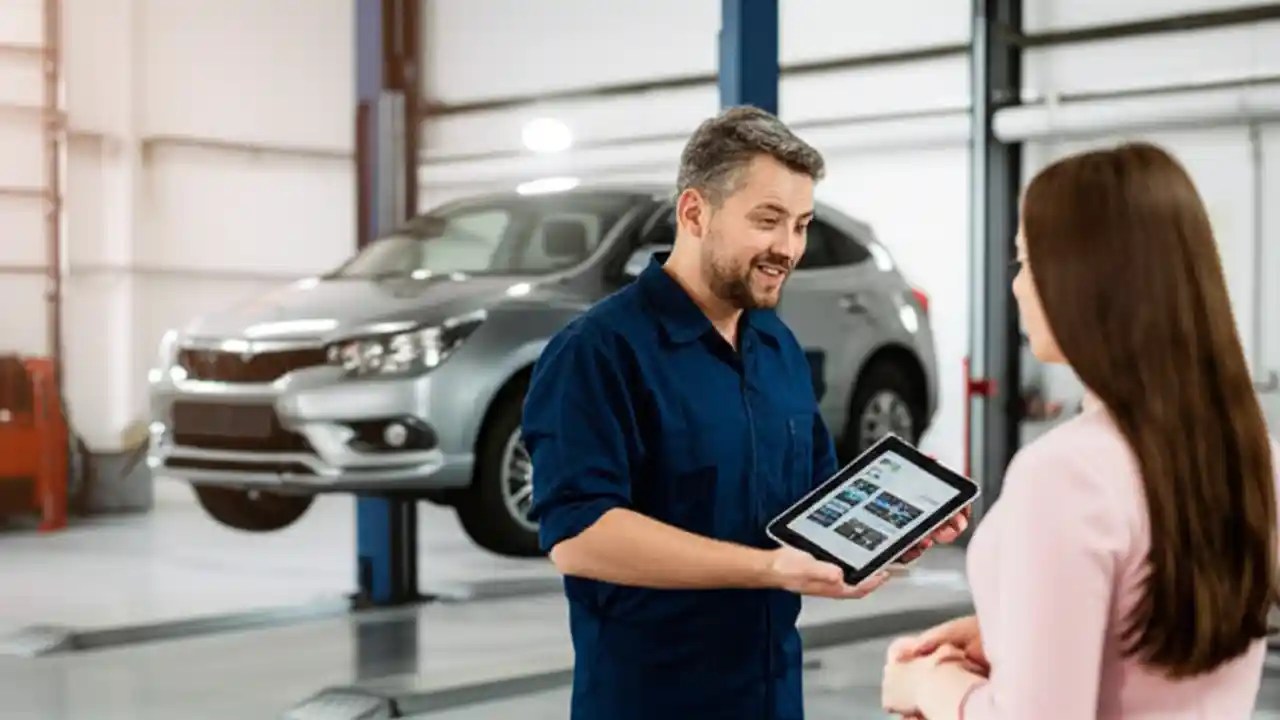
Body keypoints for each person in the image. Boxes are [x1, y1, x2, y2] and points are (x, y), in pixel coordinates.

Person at [521, 105, 966, 720]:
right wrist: (767, 568)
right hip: (650, 702)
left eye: (802, 225)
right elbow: (579, 535)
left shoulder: (776, 347)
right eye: (768, 221)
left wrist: (888, 534)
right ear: (694, 213)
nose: (788, 248)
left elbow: (807, 512)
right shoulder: (598, 352)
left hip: (772, 695)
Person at [880, 141, 1280, 719]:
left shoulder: (1066, 472)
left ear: (1085, 281)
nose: (1017, 286)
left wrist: (927, 686)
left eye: (1026, 261)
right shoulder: (1253, 454)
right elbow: (1163, 637)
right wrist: (1011, 634)